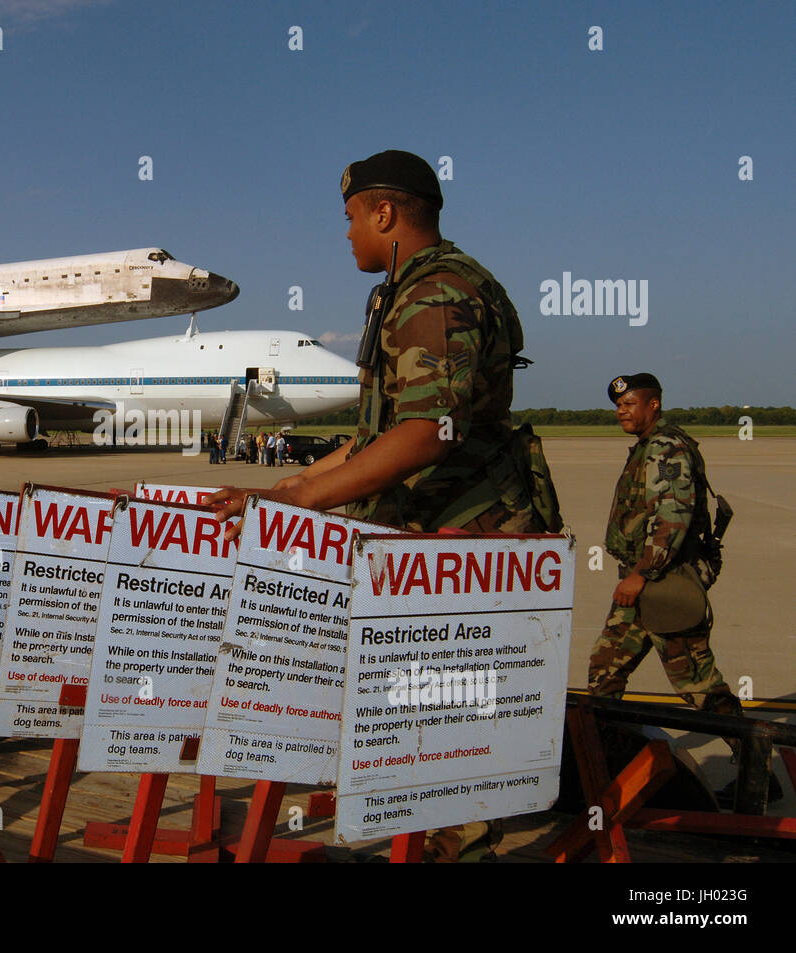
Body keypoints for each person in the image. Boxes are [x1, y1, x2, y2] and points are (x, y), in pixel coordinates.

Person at [208, 150, 543, 861]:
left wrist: (296, 501)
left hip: (464, 543)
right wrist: (284, 496)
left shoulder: (436, 293)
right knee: (415, 717)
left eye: (352, 217)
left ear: (385, 213)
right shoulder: (407, 290)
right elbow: (373, 437)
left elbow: (424, 434)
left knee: (450, 733)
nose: (348, 233)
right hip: (436, 541)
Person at [587, 374, 743, 720]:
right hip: (640, 585)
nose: (621, 412)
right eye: (618, 406)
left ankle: (754, 754)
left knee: (696, 684)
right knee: (605, 670)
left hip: (663, 582)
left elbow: (672, 517)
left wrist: (642, 574)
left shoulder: (664, 446)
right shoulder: (649, 444)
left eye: (629, 404)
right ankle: (608, 754)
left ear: (653, 404)